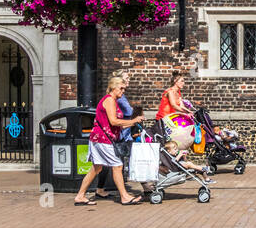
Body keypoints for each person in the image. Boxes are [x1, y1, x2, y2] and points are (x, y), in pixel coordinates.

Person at [74, 74, 141, 205]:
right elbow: (114, 121)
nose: (123, 91)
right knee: (117, 166)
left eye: (124, 89)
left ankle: (80, 196)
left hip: (101, 138)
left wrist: (132, 123)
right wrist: (132, 120)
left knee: (97, 168)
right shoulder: (109, 100)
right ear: (113, 88)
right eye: (121, 88)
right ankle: (125, 197)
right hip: (102, 139)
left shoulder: (113, 100)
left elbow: (115, 123)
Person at [97, 72, 150, 199]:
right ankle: (132, 192)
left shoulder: (119, 97)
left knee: (101, 165)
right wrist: (134, 120)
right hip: (117, 134)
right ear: (117, 83)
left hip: (120, 132)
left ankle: (93, 191)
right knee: (121, 162)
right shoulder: (114, 99)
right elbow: (116, 119)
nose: (127, 81)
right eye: (125, 79)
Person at [156, 69, 196, 150]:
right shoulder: (170, 91)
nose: (183, 83)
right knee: (166, 141)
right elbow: (174, 105)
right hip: (163, 119)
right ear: (175, 81)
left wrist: (189, 112)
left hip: (171, 120)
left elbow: (181, 105)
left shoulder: (178, 92)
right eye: (182, 81)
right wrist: (186, 112)